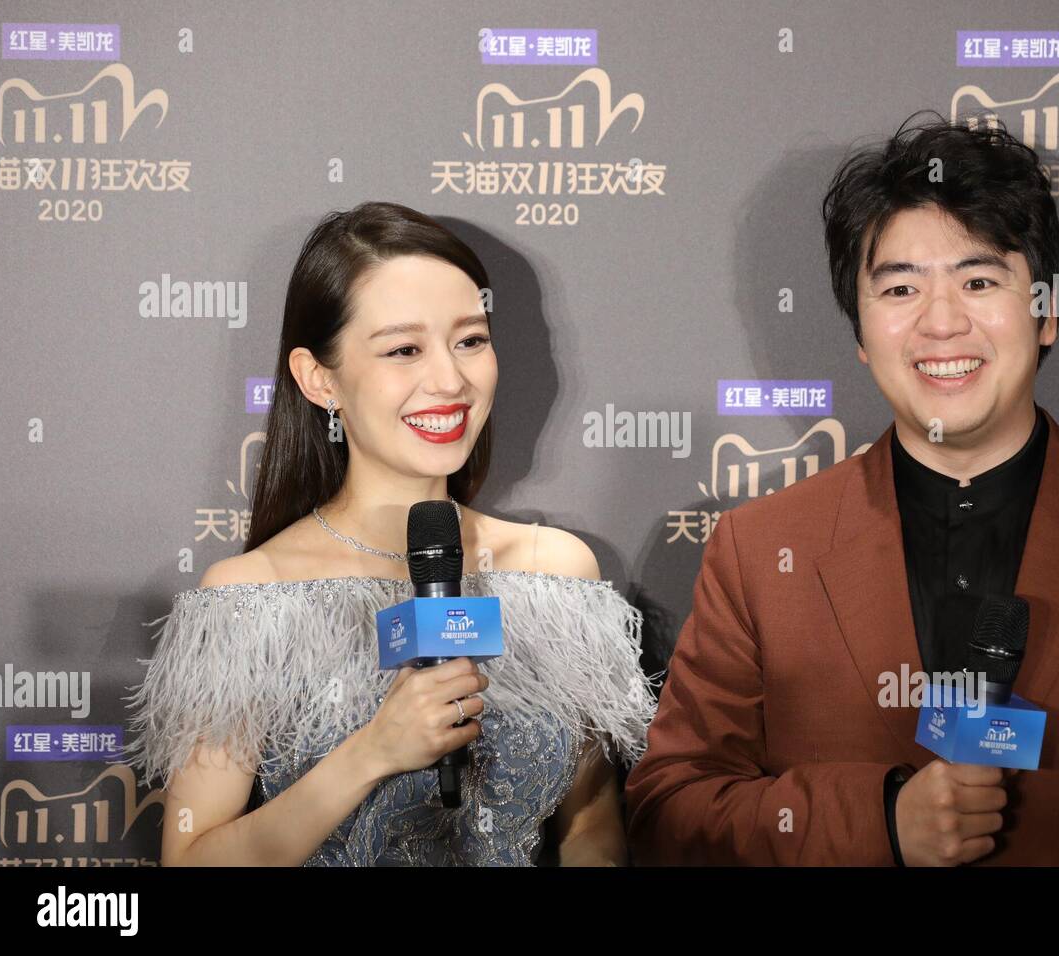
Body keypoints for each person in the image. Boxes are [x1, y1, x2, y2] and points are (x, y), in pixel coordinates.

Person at [623, 116, 1059, 865]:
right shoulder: (760, 549)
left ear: (1048, 312)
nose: (941, 322)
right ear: (861, 335)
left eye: (979, 281)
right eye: (901, 288)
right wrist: (882, 819)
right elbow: (670, 815)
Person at [122, 201, 658, 866]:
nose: (450, 380)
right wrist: (372, 752)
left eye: (470, 340)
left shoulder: (558, 574)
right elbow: (193, 860)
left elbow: (592, 821)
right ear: (319, 379)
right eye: (404, 350)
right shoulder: (250, 598)